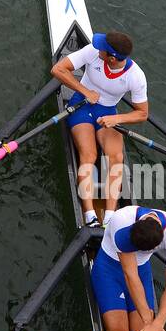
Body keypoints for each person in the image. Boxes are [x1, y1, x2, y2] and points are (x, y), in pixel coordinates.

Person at [48, 31, 148, 226]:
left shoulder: (136, 76)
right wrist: (85, 91)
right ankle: (90, 215)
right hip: (81, 106)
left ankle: (110, 216)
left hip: (108, 113)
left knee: (116, 158)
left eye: (103, 47)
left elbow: (142, 113)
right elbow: (58, 69)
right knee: (89, 155)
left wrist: (117, 118)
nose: (98, 46)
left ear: (112, 58)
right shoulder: (93, 51)